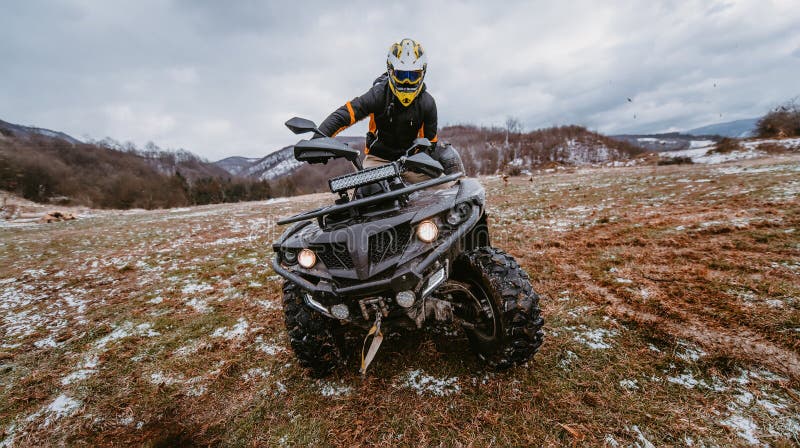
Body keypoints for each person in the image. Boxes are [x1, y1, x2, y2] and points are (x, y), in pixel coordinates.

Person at [317, 38, 463, 183]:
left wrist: (421, 162)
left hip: (410, 163)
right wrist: (319, 141)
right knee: (369, 196)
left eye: (413, 76)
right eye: (401, 75)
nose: (406, 81)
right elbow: (345, 114)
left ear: (422, 73)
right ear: (391, 71)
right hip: (378, 161)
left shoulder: (428, 103)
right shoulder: (378, 94)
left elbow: (429, 144)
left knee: (448, 189)